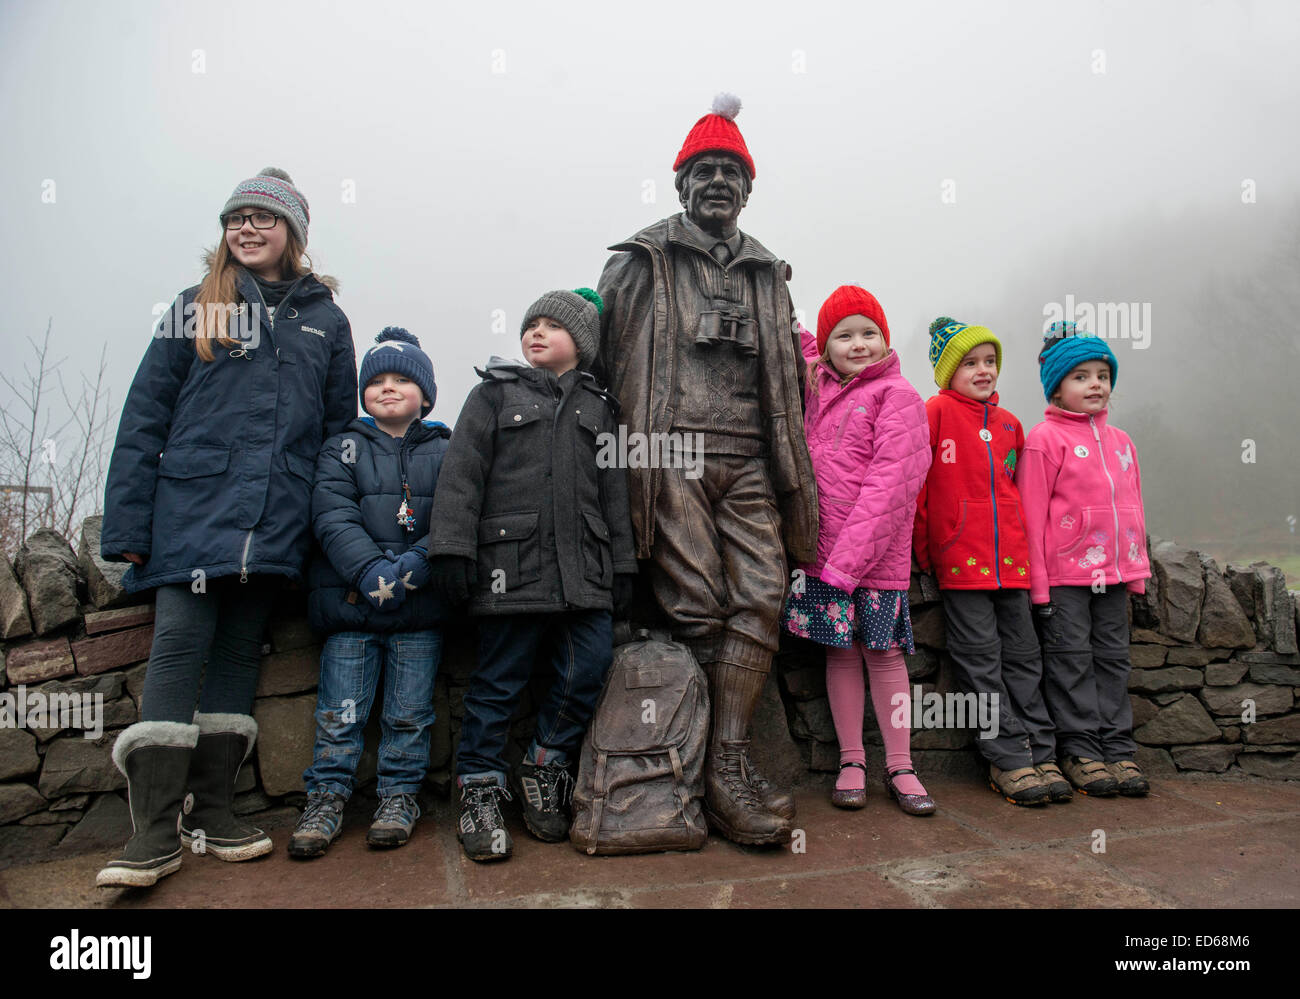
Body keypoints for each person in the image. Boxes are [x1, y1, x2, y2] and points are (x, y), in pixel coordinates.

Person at [96, 167, 357, 887]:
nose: (246, 228)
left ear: (293, 234)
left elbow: (338, 432)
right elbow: (143, 417)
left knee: (240, 656)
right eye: (236, 217)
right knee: (178, 650)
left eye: (263, 218)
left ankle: (213, 811)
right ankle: (151, 831)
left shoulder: (327, 321)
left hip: (276, 523)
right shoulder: (194, 307)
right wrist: (128, 521)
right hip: (190, 516)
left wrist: (325, 525)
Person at [597, 94, 818, 845]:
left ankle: (725, 761)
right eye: (704, 170)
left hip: (751, 456)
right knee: (696, 601)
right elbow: (605, 360)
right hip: (671, 454)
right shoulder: (640, 260)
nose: (718, 181)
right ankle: (704, 770)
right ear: (680, 184)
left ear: (748, 189)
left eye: (732, 171)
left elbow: (789, 373)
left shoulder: (767, 271)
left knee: (761, 595)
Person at [428, 289, 636, 862]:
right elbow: (461, 475)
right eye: (531, 324)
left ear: (583, 344)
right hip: (509, 572)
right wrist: (450, 549)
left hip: (584, 577)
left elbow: (614, 495)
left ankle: (545, 770)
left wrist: (623, 564)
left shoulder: (601, 408)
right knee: (498, 684)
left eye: (553, 326)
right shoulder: (493, 393)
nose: (537, 333)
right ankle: (479, 791)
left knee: (587, 670)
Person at [288, 327, 451, 857]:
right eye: (376, 380)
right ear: (362, 394)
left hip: (419, 610)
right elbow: (331, 514)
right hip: (352, 609)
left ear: (425, 394)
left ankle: (399, 797)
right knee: (340, 713)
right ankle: (327, 797)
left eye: (402, 379)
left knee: (409, 714)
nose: (387, 387)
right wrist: (369, 573)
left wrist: (409, 570)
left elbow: (454, 517)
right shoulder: (342, 447)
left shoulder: (448, 450)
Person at [782, 286, 935, 815]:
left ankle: (901, 765)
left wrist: (845, 565)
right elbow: (799, 344)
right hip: (821, 557)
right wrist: (779, 302)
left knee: (884, 656)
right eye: (844, 336)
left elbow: (892, 488)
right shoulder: (818, 386)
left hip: (872, 562)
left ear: (886, 339)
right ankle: (852, 760)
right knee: (840, 655)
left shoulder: (899, 397)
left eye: (869, 333)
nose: (858, 344)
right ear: (827, 348)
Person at [913, 317, 1067, 806]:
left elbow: (1020, 495)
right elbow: (916, 489)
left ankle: (1041, 753)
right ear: (947, 371)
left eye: (990, 361)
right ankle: (1007, 760)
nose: (983, 371)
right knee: (980, 665)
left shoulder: (1010, 425)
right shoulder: (934, 412)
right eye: (970, 363)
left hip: (1013, 569)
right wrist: (926, 553)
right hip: (961, 568)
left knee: (1025, 660)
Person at [1016, 321, 1151, 797]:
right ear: (1056, 388)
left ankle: (1118, 749)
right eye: (1080, 376)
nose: (1095, 384)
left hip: (1114, 577)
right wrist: (1039, 589)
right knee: (1071, 662)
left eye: (1102, 374)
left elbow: (1133, 508)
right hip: (1065, 579)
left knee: (1113, 661)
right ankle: (1081, 751)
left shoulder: (1122, 442)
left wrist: (1137, 572)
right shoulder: (1043, 441)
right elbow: (1030, 519)